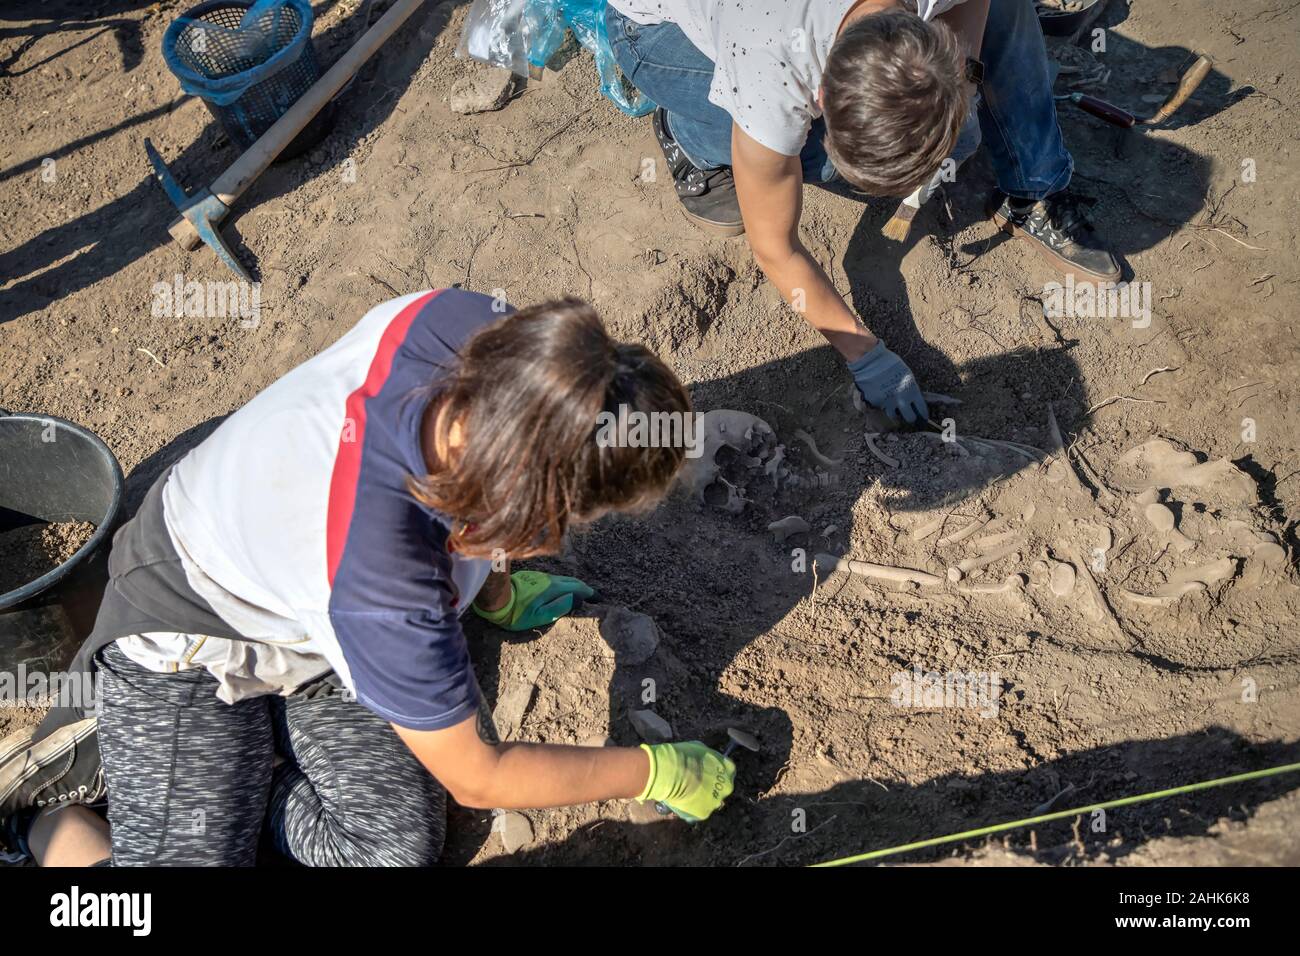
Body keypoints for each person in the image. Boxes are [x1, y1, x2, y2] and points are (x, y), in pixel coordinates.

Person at [0, 290, 735, 867]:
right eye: (569, 516)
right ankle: (45, 810)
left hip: (309, 614)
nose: (567, 533)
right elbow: (478, 776)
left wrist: (496, 592)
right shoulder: (382, 573)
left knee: (387, 849)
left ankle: (228, 763)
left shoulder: (481, 332)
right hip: (186, 631)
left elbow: (472, 502)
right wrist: (651, 771)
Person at [605, 0, 1122, 425]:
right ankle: (690, 139)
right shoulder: (769, 62)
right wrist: (865, 355)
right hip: (651, 28)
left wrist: (963, 88)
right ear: (822, 94)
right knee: (776, 146)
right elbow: (775, 245)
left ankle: (1033, 184)